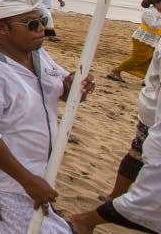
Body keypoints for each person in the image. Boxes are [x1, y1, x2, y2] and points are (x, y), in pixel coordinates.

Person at [0, 0, 94, 233]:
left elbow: (59, 89)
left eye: (41, 21)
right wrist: (28, 181)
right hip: (6, 183)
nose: (41, 29)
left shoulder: (37, 56)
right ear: (2, 28)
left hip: (34, 174)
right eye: (31, 24)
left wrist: (74, 87)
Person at [69, 45, 160, 234]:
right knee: (146, 185)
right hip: (153, 112)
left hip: (152, 109)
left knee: (138, 156)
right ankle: (90, 217)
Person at [108, 0, 161, 83]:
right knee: (137, 59)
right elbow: (154, 26)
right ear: (156, 3)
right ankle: (115, 71)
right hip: (142, 40)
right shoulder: (148, 13)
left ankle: (147, 79)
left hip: (154, 41)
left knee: (151, 60)